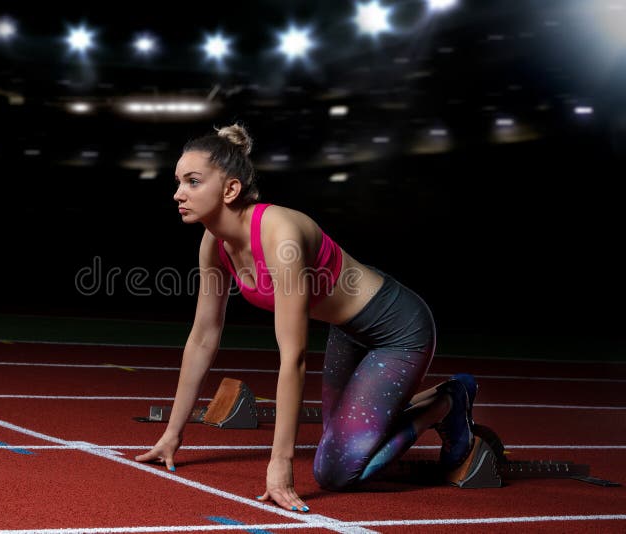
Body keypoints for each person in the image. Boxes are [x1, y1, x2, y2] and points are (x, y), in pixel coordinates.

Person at [135, 124, 479, 512]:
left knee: (336, 471)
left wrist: (279, 464)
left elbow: (293, 357)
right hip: (347, 331)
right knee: (340, 439)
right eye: (178, 181)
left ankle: (448, 401)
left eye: (192, 182)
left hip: (397, 330)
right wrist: (172, 435)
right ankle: (404, 406)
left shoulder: (280, 235)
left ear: (230, 190)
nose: (178, 193)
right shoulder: (214, 244)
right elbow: (202, 338)